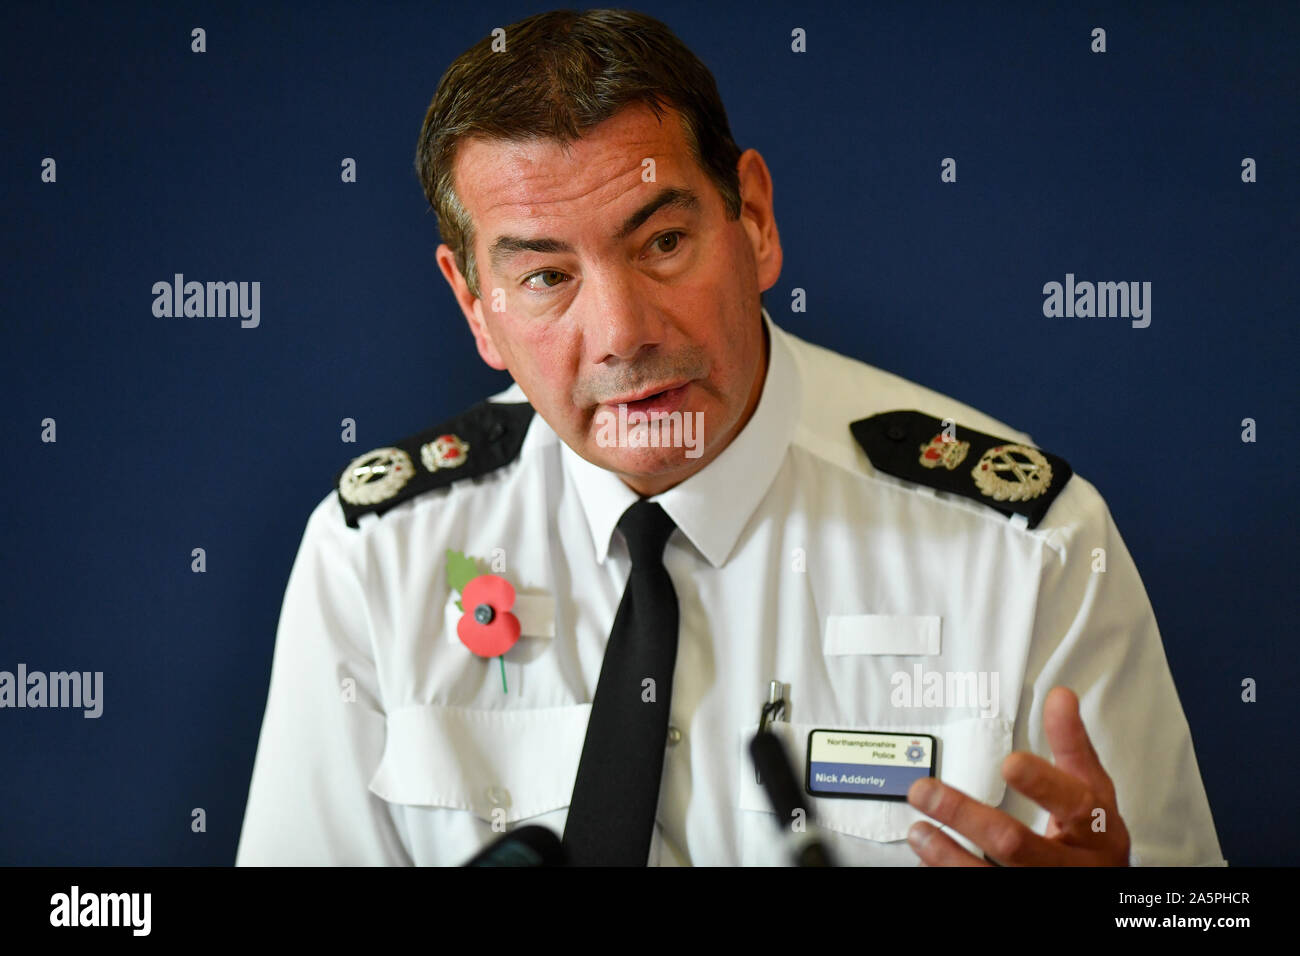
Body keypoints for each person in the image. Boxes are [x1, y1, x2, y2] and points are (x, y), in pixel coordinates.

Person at [235, 8, 1224, 866]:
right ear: (473, 305)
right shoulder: (374, 556)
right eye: (545, 277)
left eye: (662, 242)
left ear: (751, 218)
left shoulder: (1030, 547)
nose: (623, 332)